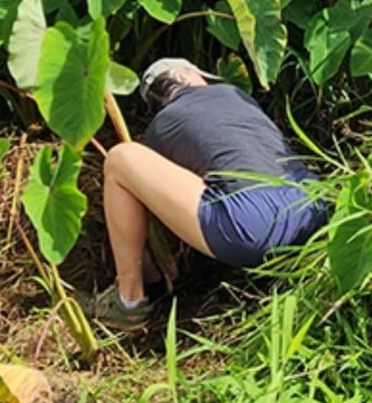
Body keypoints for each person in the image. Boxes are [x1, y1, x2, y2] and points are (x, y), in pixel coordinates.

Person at [84, 58, 329, 331]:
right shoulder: (238, 96)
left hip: (250, 226)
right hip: (314, 211)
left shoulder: (161, 127)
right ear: (184, 75)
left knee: (120, 159)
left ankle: (129, 300)